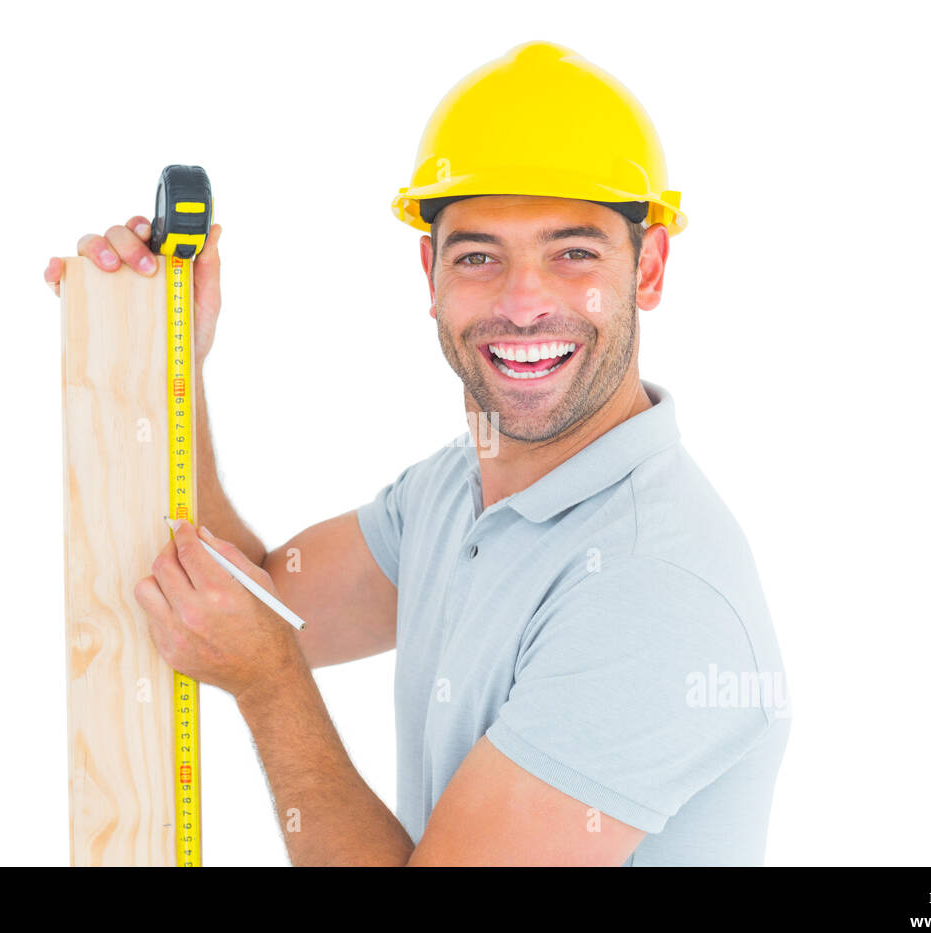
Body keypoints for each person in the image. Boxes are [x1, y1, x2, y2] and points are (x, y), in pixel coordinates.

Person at [43, 41, 790, 866]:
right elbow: (256, 600)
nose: (523, 301)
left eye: (573, 252)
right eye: (479, 256)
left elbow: (269, 646)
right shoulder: (454, 489)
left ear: (647, 268)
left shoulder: (654, 590)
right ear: (429, 270)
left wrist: (270, 687)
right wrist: (168, 357)